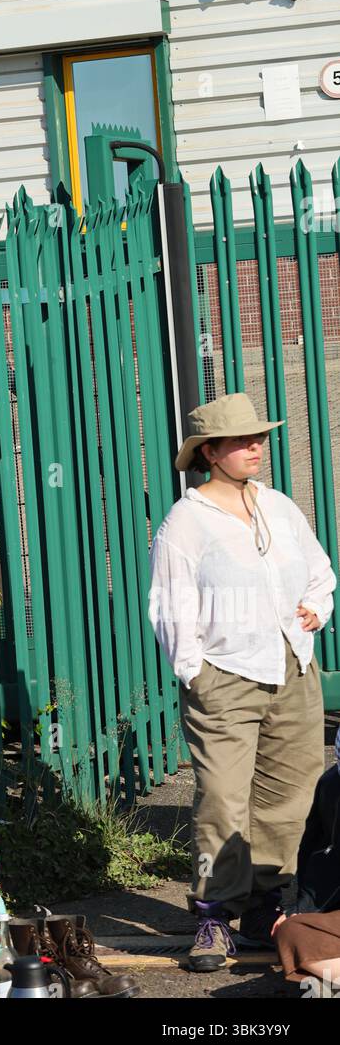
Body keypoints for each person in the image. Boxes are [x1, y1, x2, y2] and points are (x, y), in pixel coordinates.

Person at [148, 393, 336, 972]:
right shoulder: (187, 520)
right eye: (241, 440)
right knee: (223, 800)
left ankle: (264, 908)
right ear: (209, 452)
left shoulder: (279, 506)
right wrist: (194, 672)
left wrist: (314, 607)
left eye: (259, 437)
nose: (256, 447)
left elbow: (318, 570)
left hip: (291, 666)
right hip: (224, 674)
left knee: (289, 800)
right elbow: (169, 602)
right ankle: (211, 916)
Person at [272, 727, 340, 996]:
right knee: (292, 932)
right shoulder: (330, 785)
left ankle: (328, 980)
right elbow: (323, 859)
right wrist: (302, 908)